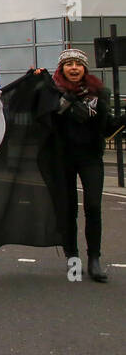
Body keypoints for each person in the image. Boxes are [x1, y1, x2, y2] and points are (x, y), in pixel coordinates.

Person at [40, 49, 115, 282]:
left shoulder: (98, 93)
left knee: (93, 206)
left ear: (85, 68)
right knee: (68, 209)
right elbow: (42, 120)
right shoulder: (51, 92)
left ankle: (94, 259)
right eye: (69, 64)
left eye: (78, 64)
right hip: (61, 158)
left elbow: (107, 128)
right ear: (61, 68)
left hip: (90, 157)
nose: (74, 68)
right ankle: (72, 256)